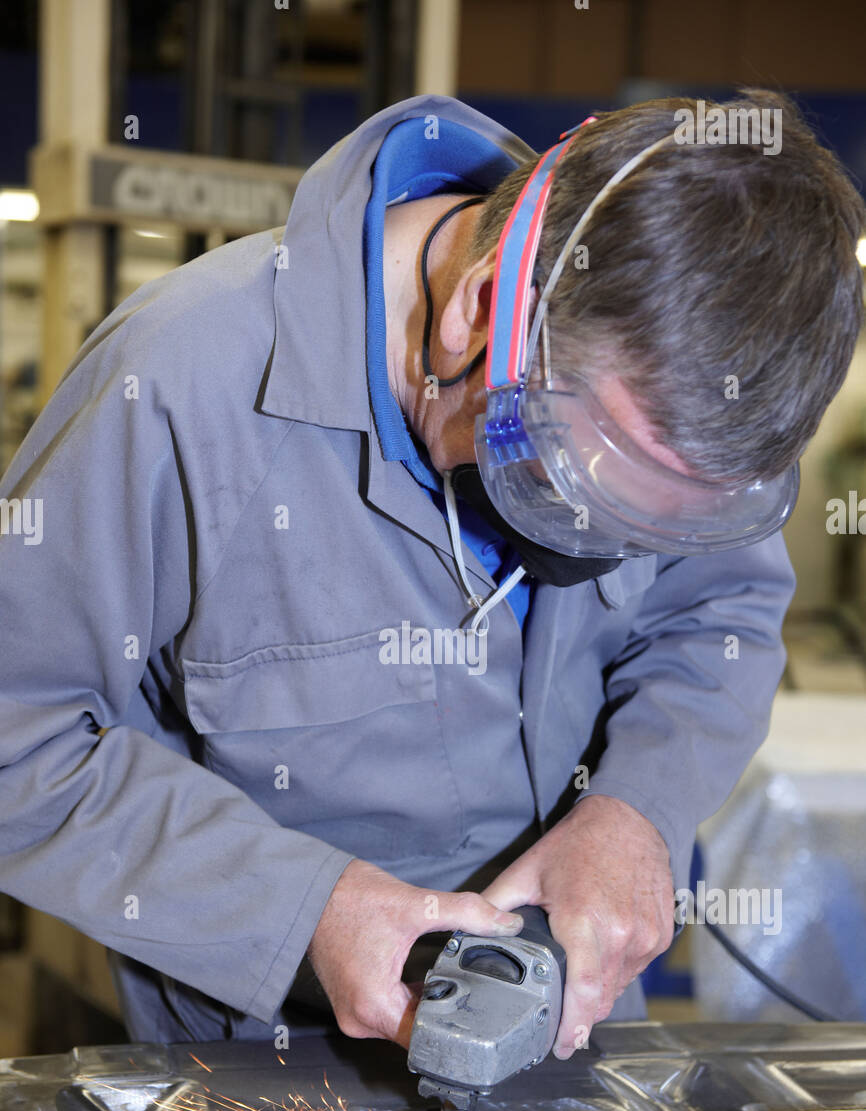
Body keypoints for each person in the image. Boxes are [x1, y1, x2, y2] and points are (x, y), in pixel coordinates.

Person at [0, 89, 862, 1056]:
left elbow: (721, 608)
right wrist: (304, 909)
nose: (611, 539)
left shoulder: (674, 396)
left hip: (566, 1039)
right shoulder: (176, 389)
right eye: (582, 483)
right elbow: (14, 732)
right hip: (270, 1066)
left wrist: (638, 811)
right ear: (481, 312)